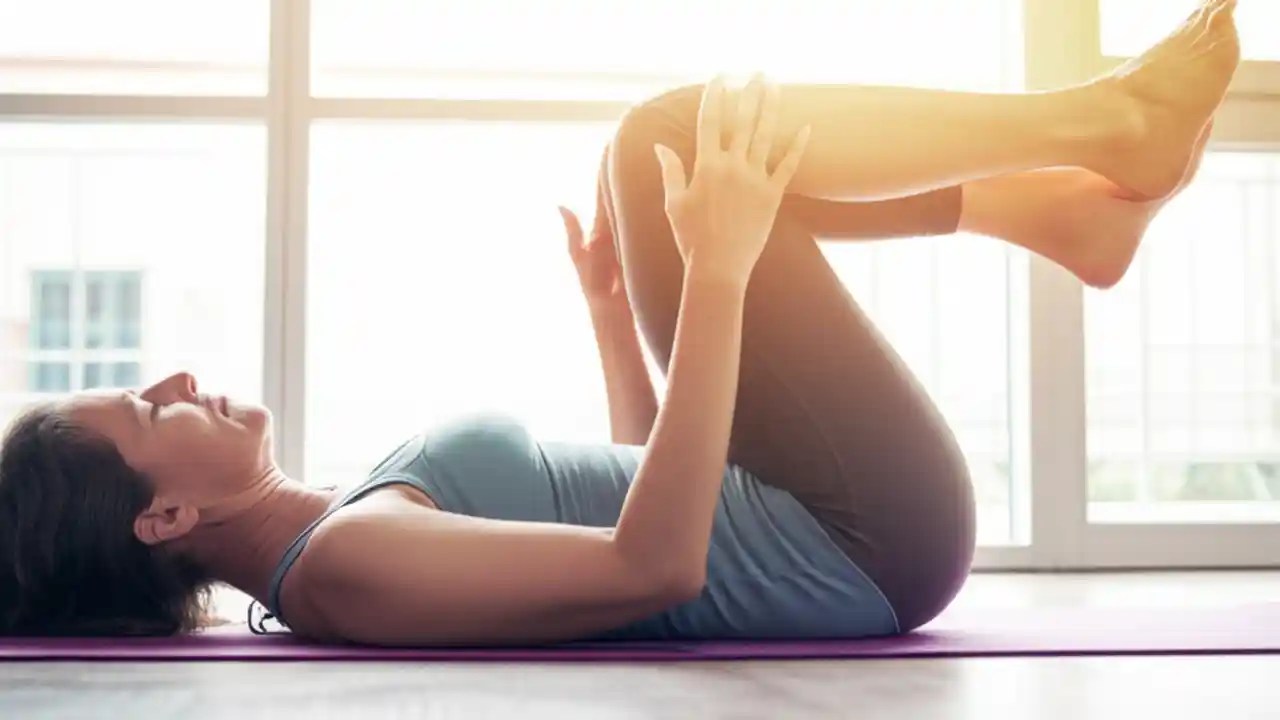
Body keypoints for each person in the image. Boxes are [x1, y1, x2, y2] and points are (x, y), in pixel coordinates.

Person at [0, 0, 1239, 642]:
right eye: (146, 408)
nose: (175, 377)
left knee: (645, 166)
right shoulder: (342, 569)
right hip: (865, 541)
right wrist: (710, 275)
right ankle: (1095, 138)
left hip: (824, 522)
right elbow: (655, 567)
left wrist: (614, 322)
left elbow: (641, 502)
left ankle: (1069, 214)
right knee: (668, 140)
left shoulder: (332, 532)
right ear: (161, 516)